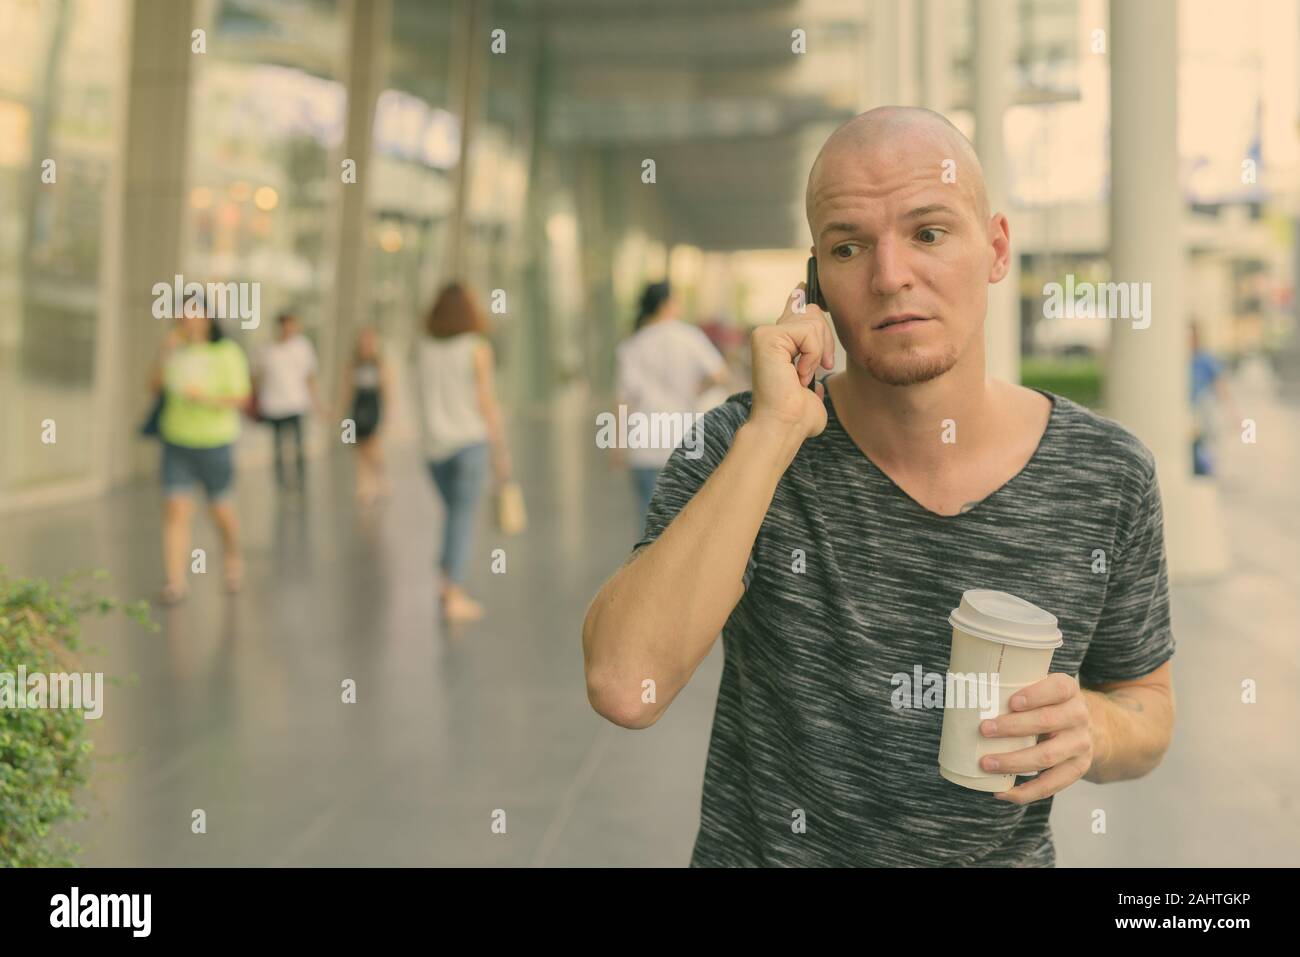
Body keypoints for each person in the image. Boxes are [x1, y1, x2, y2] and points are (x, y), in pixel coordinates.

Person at [582, 107, 1177, 867]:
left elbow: (1147, 705)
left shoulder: (1107, 472)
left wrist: (1096, 725)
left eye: (928, 233)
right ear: (814, 284)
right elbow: (625, 683)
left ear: (995, 248)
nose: (890, 275)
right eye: (849, 246)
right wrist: (773, 436)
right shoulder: (743, 444)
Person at [413, 283, 511, 623]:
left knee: (454, 512)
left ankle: (446, 578)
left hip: (434, 448)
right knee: (463, 516)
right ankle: (454, 592)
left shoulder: (424, 349)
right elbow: (486, 401)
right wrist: (500, 449)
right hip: (469, 443)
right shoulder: (476, 348)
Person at [149, 291, 251, 604]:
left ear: (208, 317)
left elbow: (242, 398)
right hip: (176, 439)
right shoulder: (175, 350)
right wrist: (164, 353)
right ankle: (175, 581)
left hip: (214, 442)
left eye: (194, 313)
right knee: (176, 510)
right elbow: (153, 387)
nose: (188, 320)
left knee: (219, 508)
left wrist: (204, 398)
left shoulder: (226, 353)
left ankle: (232, 556)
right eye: (183, 314)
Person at [615, 281, 729, 529]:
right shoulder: (689, 337)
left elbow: (623, 400)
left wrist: (618, 443)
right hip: (682, 440)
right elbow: (720, 374)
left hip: (643, 444)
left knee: (647, 521)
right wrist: (697, 391)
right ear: (666, 304)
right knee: (682, 521)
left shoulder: (633, 345)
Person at [254, 311, 321, 492]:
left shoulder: (303, 347)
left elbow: (310, 377)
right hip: (274, 406)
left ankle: (300, 482)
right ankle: (281, 484)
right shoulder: (267, 349)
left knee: (298, 446)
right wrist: (256, 401)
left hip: (297, 404)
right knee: (278, 448)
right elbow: (258, 377)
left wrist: (317, 404)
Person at [340, 326, 391, 505]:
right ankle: (364, 485)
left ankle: (380, 479)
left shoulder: (379, 364)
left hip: (373, 406)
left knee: (372, 446)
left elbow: (386, 389)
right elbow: (347, 390)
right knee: (357, 446)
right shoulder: (353, 364)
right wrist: (342, 413)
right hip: (357, 407)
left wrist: (389, 413)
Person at [1189, 319, 1239, 477]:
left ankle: (1207, 471)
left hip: (1202, 409)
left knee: (1206, 444)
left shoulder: (1205, 359)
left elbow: (1221, 385)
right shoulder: (1180, 359)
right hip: (1186, 410)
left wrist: (1231, 413)